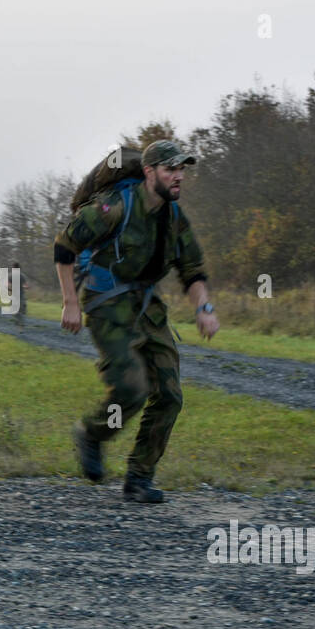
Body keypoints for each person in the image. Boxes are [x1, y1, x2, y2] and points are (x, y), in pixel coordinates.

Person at [53, 139, 219, 504]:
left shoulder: (174, 217)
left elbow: (192, 269)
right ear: (149, 172)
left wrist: (203, 309)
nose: (178, 177)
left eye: (181, 170)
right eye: (170, 170)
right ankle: (92, 435)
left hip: (147, 307)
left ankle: (139, 478)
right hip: (107, 304)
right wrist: (70, 303)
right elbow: (65, 246)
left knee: (170, 395)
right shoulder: (114, 207)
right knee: (131, 389)